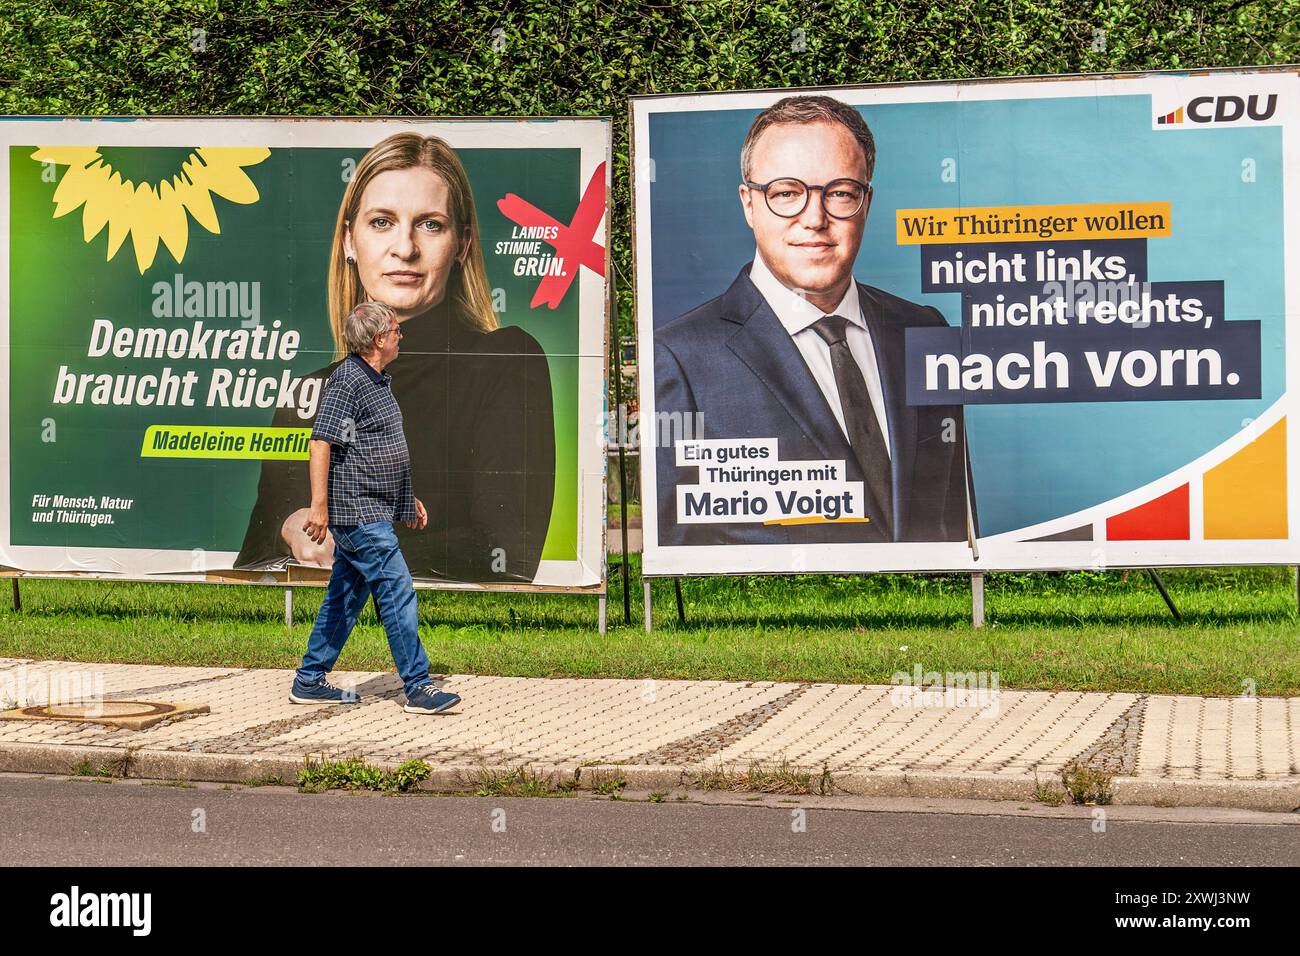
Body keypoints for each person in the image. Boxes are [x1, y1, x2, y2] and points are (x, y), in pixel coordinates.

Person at [654, 94, 972, 545]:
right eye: (786, 193)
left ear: (866, 202)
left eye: (840, 193)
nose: (815, 218)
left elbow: (955, 523)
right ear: (748, 204)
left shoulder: (925, 331)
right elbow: (675, 551)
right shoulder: (679, 357)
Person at [237, 133, 555, 582]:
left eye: (430, 224)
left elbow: (506, 554)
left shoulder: (505, 360)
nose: (405, 248)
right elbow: (249, 568)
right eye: (382, 222)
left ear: (461, 244)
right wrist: (289, 529)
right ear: (349, 241)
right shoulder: (311, 391)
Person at [289, 301, 459, 714]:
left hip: (373, 508)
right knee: (397, 591)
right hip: (359, 513)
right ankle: (418, 686)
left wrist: (406, 497)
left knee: (345, 596)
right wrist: (318, 507)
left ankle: (309, 679)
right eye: (397, 330)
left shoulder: (376, 380)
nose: (402, 335)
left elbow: (375, 449)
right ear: (379, 338)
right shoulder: (348, 380)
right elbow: (321, 441)